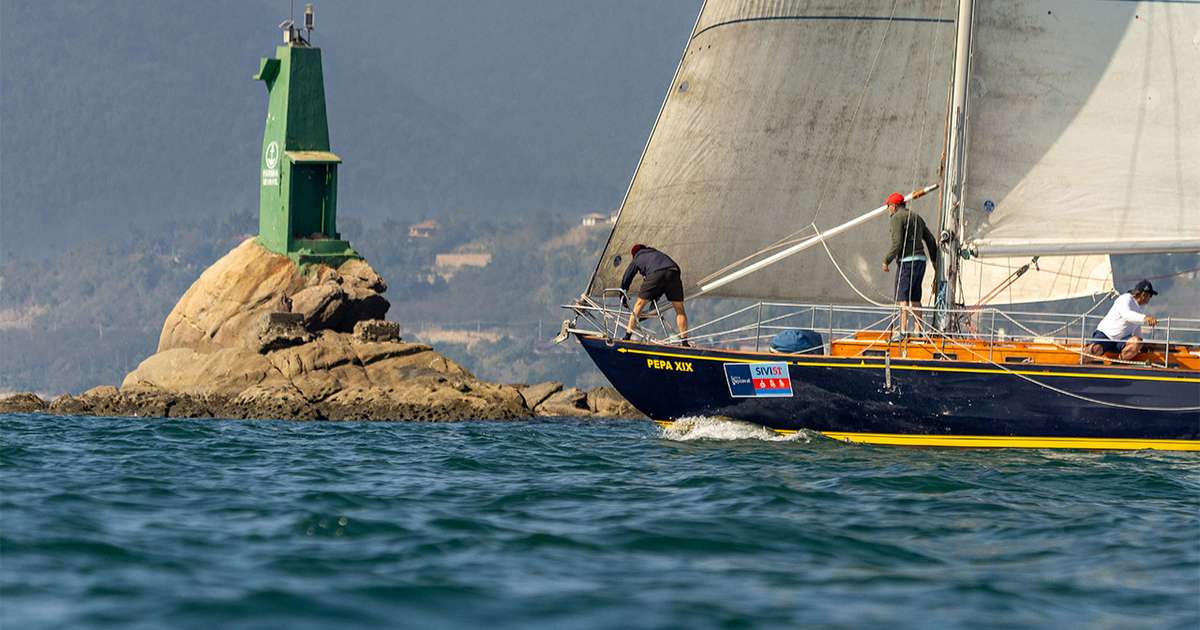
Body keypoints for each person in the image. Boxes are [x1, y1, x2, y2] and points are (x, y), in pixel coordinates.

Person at [880, 192, 938, 336]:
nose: (888, 209)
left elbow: (897, 243)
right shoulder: (917, 217)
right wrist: (935, 263)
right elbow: (930, 240)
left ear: (893, 206)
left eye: (888, 206)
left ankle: (902, 331)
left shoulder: (896, 218)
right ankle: (918, 331)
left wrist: (886, 260)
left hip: (907, 262)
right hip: (921, 261)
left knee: (902, 298)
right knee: (915, 297)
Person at [620, 244, 689, 344]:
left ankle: (627, 336)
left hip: (655, 273)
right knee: (679, 309)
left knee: (639, 304)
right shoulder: (656, 253)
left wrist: (622, 293)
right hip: (674, 271)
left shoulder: (637, 257)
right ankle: (685, 342)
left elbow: (627, 277)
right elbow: (663, 280)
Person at [1085, 279, 1160, 362]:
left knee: (1137, 342)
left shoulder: (1139, 309)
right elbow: (1127, 315)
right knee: (1096, 349)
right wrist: (1145, 318)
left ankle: (1118, 364)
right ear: (1144, 294)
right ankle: (1079, 363)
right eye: (1150, 295)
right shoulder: (1125, 298)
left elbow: (1137, 330)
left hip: (1121, 341)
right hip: (1105, 335)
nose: (1150, 298)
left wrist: (1142, 345)